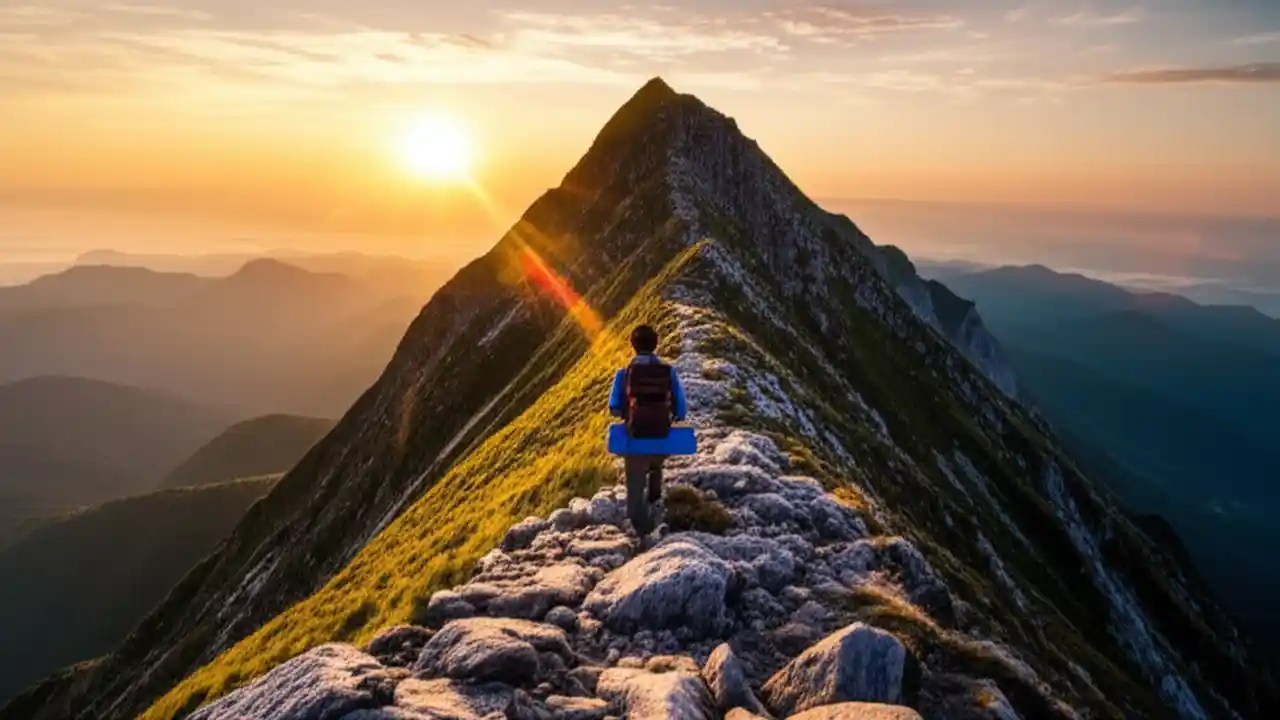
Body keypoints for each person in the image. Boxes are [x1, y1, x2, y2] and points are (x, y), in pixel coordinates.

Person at [608, 324, 687, 536]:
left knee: (634, 487)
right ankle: (656, 514)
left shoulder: (624, 374)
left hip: (634, 438)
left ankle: (639, 532)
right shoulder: (668, 372)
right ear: (656, 344)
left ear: (633, 345)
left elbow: (614, 408)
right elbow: (681, 408)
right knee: (655, 470)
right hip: (661, 434)